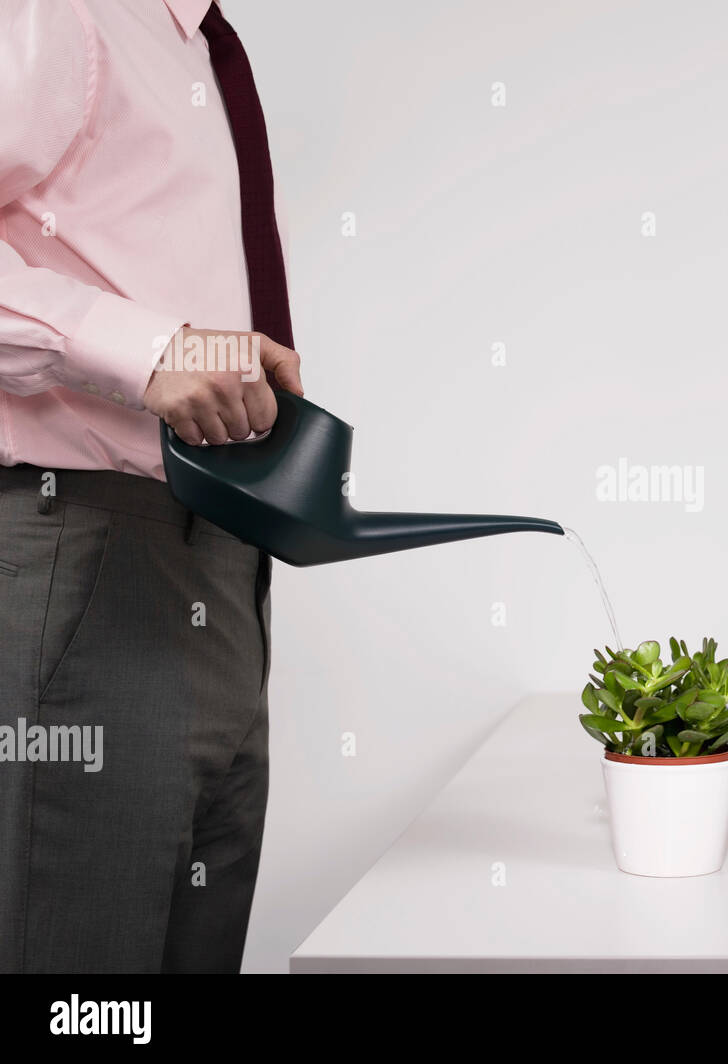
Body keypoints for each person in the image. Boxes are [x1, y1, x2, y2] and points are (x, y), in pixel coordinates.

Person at [0, 0, 300, 972]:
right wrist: (147, 347)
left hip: (220, 563)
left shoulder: (197, 47)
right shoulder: (57, 12)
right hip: (92, 551)